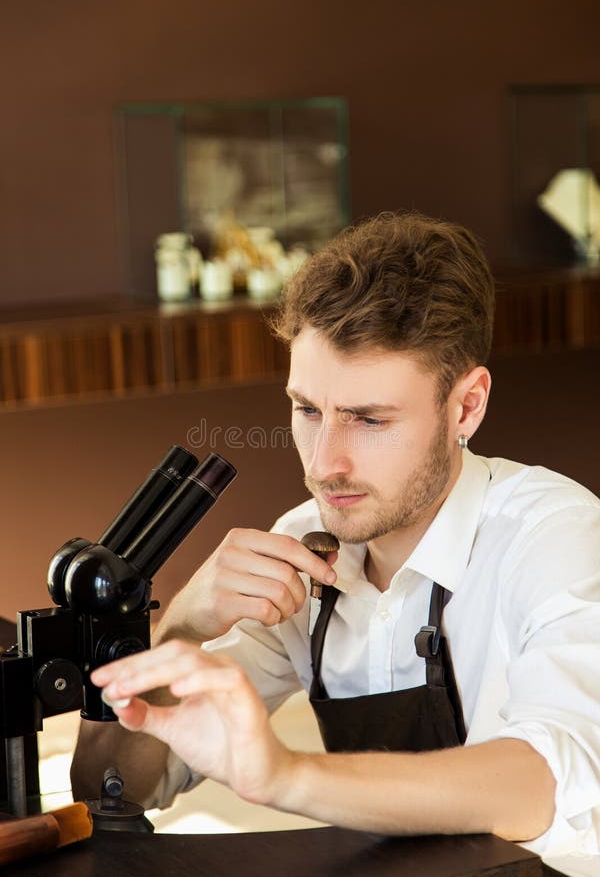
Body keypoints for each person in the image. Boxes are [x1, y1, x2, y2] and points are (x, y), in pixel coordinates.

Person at [71, 212, 600, 877]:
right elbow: (111, 792)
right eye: (308, 410)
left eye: (368, 420)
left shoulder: (556, 535)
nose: (326, 463)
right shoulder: (306, 548)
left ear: (466, 407)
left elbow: (544, 781)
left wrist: (287, 776)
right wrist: (177, 633)